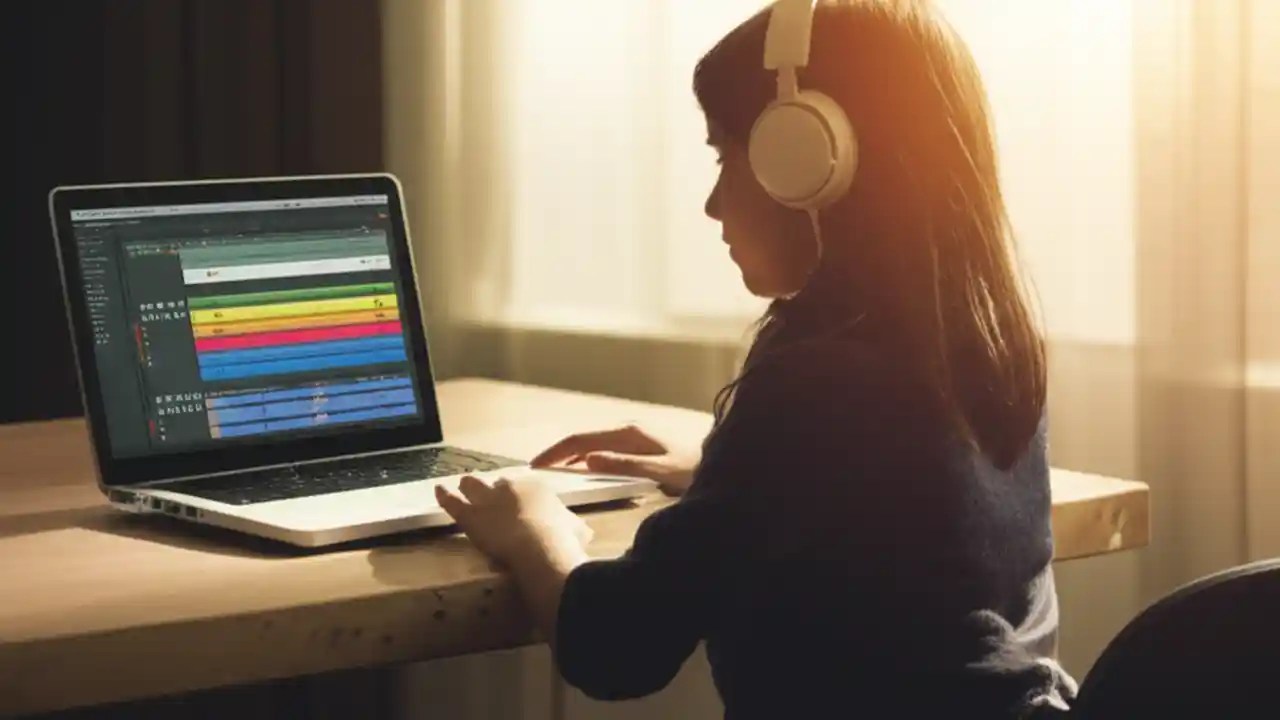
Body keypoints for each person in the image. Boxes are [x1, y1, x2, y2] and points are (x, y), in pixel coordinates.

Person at [435, 1, 1078, 717]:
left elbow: (617, 644)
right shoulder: (995, 345)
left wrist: (535, 528)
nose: (712, 205)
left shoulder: (819, 385)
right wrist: (731, 474)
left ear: (801, 157)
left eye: (724, 155)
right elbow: (907, 524)